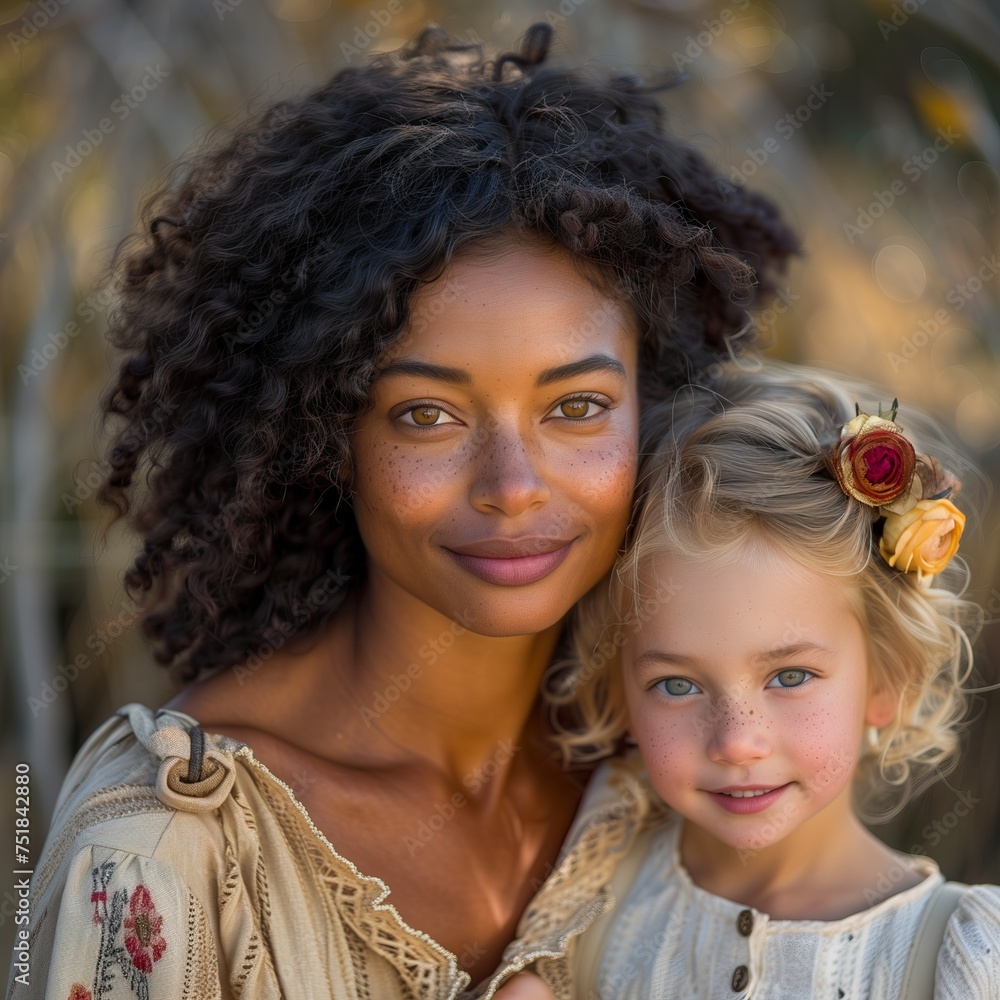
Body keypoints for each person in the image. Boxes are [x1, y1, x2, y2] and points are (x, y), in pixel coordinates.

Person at [7, 20, 800, 1000]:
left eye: (577, 408)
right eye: (426, 415)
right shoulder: (164, 843)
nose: (512, 484)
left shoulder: (684, 780)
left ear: (654, 400)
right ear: (323, 431)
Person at [496, 359, 1000, 999]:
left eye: (790, 675)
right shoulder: (592, 890)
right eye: (677, 685)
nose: (736, 742)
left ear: (885, 681)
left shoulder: (954, 957)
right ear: (617, 687)